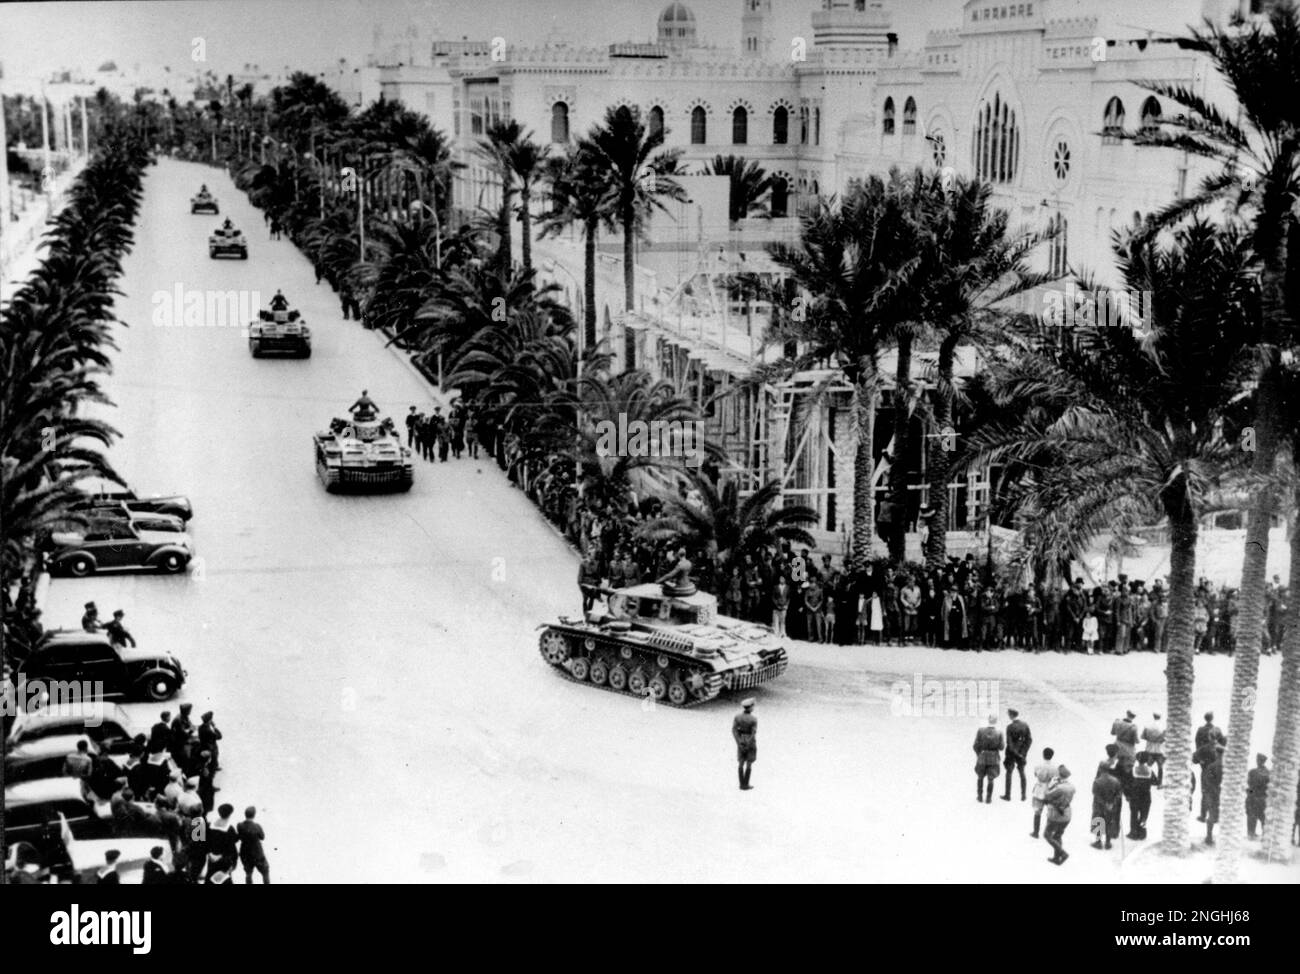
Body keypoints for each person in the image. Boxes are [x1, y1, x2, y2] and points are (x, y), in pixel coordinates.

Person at [1043, 765, 1076, 865]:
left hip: (1055, 814)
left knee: (1047, 835)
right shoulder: (1072, 787)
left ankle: (1062, 853)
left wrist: (1051, 784)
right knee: (1058, 835)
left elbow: (1047, 794)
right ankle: (1057, 858)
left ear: (1059, 775)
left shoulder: (1059, 787)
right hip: (1067, 814)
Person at [1002, 709, 1033, 801]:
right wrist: (1023, 752)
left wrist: (1015, 752)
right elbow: (1029, 740)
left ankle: (1008, 795)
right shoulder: (1025, 725)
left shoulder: (1010, 727)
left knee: (1009, 773)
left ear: (1011, 715)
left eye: (1009, 715)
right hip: (1022, 752)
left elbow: (1009, 742)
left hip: (1011, 753)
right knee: (1022, 772)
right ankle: (1023, 795)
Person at [1091, 760, 1123, 850]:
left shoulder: (1097, 781)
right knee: (1109, 821)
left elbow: (1096, 795)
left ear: (1100, 769)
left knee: (1098, 820)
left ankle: (1098, 841)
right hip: (1112, 806)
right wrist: (1112, 803)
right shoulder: (1116, 781)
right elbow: (1119, 794)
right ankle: (1108, 842)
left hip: (1099, 806)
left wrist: (1104, 803)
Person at [1030, 747, 1061, 839]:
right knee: (1050, 812)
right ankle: (1048, 832)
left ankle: (1036, 832)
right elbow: (1056, 779)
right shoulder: (1055, 768)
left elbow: (1035, 774)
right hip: (1049, 789)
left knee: (1037, 811)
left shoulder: (1038, 765)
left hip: (1039, 789)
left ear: (1043, 754)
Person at [973, 715, 1003, 804]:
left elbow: (975, 745)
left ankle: (979, 796)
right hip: (994, 758)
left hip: (982, 756)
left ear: (988, 720)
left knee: (980, 777)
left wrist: (979, 754)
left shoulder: (981, 731)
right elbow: (1002, 747)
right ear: (996, 722)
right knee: (991, 779)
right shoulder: (999, 732)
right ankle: (989, 798)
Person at [237, 806, 271, 884]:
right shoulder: (257, 826)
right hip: (257, 853)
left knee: (248, 873)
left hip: (245, 853)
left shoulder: (240, 825)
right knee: (265, 872)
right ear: (254, 815)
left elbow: (239, 835)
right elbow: (262, 837)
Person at [1127, 751, 1155, 840]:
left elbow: (1127, 782)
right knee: (1144, 815)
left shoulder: (1133, 770)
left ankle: (1133, 832)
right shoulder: (1150, 771)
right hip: (1146, 796)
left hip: (1135, 795)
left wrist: (1127, 794)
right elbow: (1156, 781)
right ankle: (1142, 832)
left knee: (1134, 814)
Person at [733, 698, 758, 791]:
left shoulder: (737, 717)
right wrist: (748, 742)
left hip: (740, 739)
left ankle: (741, 784)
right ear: (751, 707)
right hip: (750, 741)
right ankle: (746, 784)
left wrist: (738, 741)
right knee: (749, 762)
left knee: (741, 762)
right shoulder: (753, 719)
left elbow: (734, 730)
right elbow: (753, 732)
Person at [1202, 744, 1224, 845]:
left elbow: (1207, 781)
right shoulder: (1227, 767)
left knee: (1211, 816)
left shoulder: (1211, 766)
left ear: (1216, 753)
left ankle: (1209, 838)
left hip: (1212, 794)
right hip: (1223, 794)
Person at [1246, 753, 1270, 840]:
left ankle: (1251, 834)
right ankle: (1265, 836)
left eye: (1258, 760)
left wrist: (1250, 793)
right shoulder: (1269, 773)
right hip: (1264, 799)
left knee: (1252, 817)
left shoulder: (1252, 772)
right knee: (1263, 818)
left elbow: (1249, 786)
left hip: (1253, 798)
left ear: (1259, 761)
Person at [1141, 712, 1166, 787]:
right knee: (1160, 767)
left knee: (1148, 766)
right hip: (1160, 749)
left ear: (1153, 716)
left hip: (1149, 748)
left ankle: (1147, 781)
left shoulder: (1147, 726)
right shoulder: (1164, 726)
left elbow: (1143, 737)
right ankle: (1160, 783)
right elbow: (1165, 738)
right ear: (1160, 717)